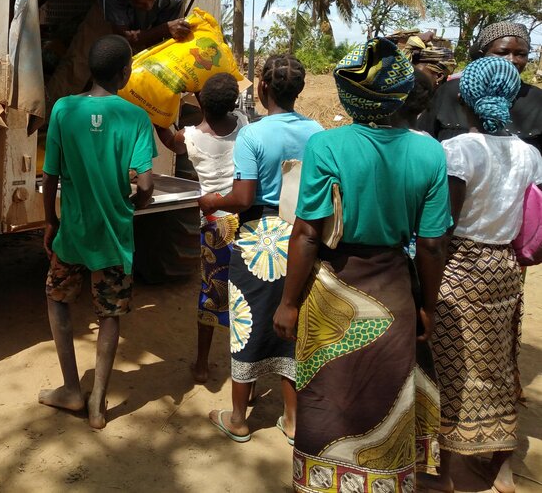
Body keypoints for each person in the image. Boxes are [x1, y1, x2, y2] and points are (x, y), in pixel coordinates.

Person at [272, 38, 451, 493]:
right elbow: (431, 246)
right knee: (386, 395)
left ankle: (321, 481)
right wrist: (427, 304)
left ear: (348, 96)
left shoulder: (326, 146)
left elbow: (309, 234)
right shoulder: (430, 153)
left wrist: (289, 303)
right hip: (394, 290)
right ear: (402, 91)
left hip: (332, 289)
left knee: (325, 398)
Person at [419, 58, 542, 493]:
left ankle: (447, 477)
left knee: (454, 370)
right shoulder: (530, 153)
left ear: (466, 97)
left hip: (460, 268)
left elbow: (444, 226)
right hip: (505, 269)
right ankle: (502, 468)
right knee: (497, 365)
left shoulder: (459, 151)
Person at [198, 55, 323, 444]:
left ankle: (238, 417)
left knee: (245, 321)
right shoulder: (318, 132)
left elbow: (243, 196)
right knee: (293, 324)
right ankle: (292, 419)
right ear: (299, 90)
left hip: (257, 236)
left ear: (263, 89)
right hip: (302, 234)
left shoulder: (252, 135)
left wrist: (213, 201)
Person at [40, 34, 156, 429]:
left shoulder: (63, 109)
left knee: (57, 298)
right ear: (125, 72)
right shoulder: (136, 117)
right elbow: (145, 185)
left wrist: (51, 221)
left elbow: (50, 175)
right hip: (114, 236)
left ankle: (72, 388)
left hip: (72, 233)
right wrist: (133, 206)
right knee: (110, 313)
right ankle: (98, 404)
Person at [156, 73, 249, 383]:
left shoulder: (191, 137)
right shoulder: (243, 125)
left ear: (198, 103)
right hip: (244, 217)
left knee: (211, 290)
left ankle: (201, 364)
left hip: (214, 224)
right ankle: (246, 368)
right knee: (246, 294)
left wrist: (156, 113)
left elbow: (170, 141)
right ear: (233, 103)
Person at [46, 0, 192, 107]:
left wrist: (159, 34)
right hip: (109, 19)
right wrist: (164, 28)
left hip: (147, 26)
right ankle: (51, 113)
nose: (148, 7)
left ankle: (124, 117)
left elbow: (159, 42)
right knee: (79, 61)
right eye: (140, 3)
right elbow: (124, 37)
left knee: (140, 72)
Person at [418, 21, 542, 154]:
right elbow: (423, 142)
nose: (512, 60)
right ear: (482, 55)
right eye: (502, 52)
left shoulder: (537, 99)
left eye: (521, 54)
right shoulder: (451, 91)